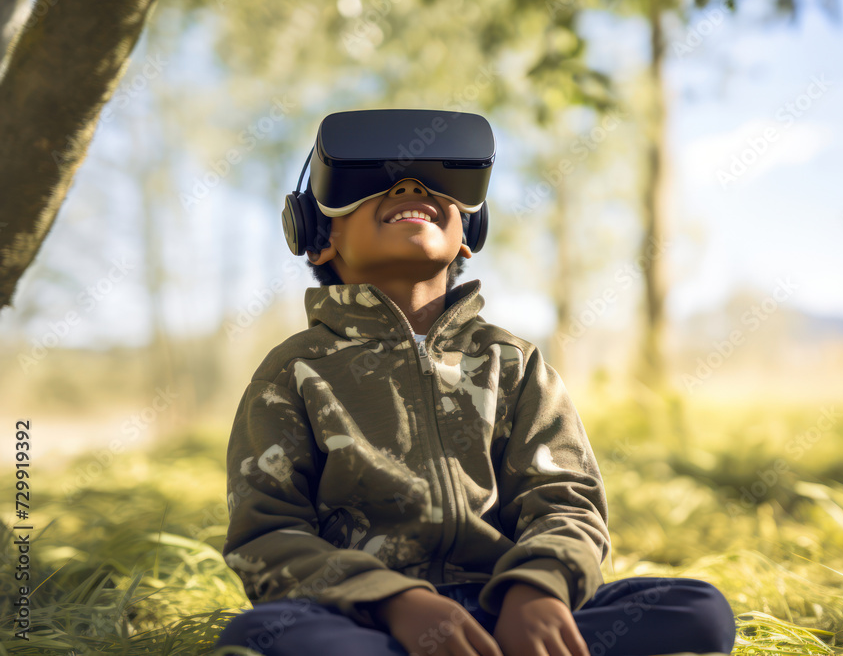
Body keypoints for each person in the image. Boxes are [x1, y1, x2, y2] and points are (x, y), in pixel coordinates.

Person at [213, 170, 736, 655]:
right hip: (372, 627)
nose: (409, 187)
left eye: (437, 183)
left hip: (506, 614)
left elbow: (565, 501)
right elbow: (268, 532)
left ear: (468, 232)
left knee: (699, 611)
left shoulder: (515, 363)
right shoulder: (295, 371)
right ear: (320, 237)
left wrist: (539, 589)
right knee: (259, 635)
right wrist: (392, 601)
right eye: (374, 182)